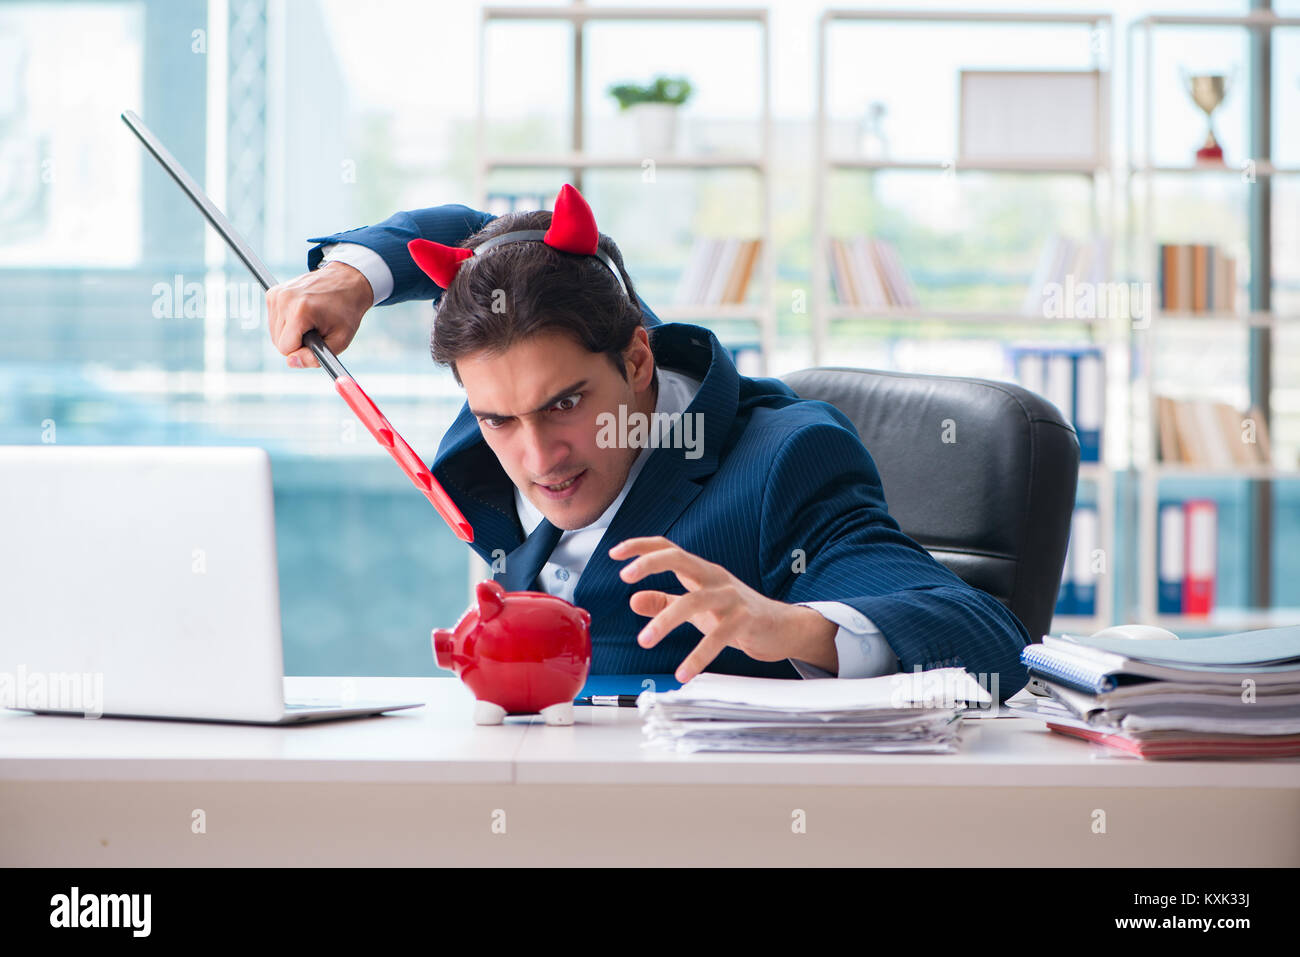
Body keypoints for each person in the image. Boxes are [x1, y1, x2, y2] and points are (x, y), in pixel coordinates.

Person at [266, 185, 1030, 698]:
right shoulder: (553, 338)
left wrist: (787, 623)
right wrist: (354, 277)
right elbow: (471, 234)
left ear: (638, 359)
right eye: (498, 419)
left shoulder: (784, 462)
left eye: (564, 405)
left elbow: (989, 637)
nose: (538, 458)